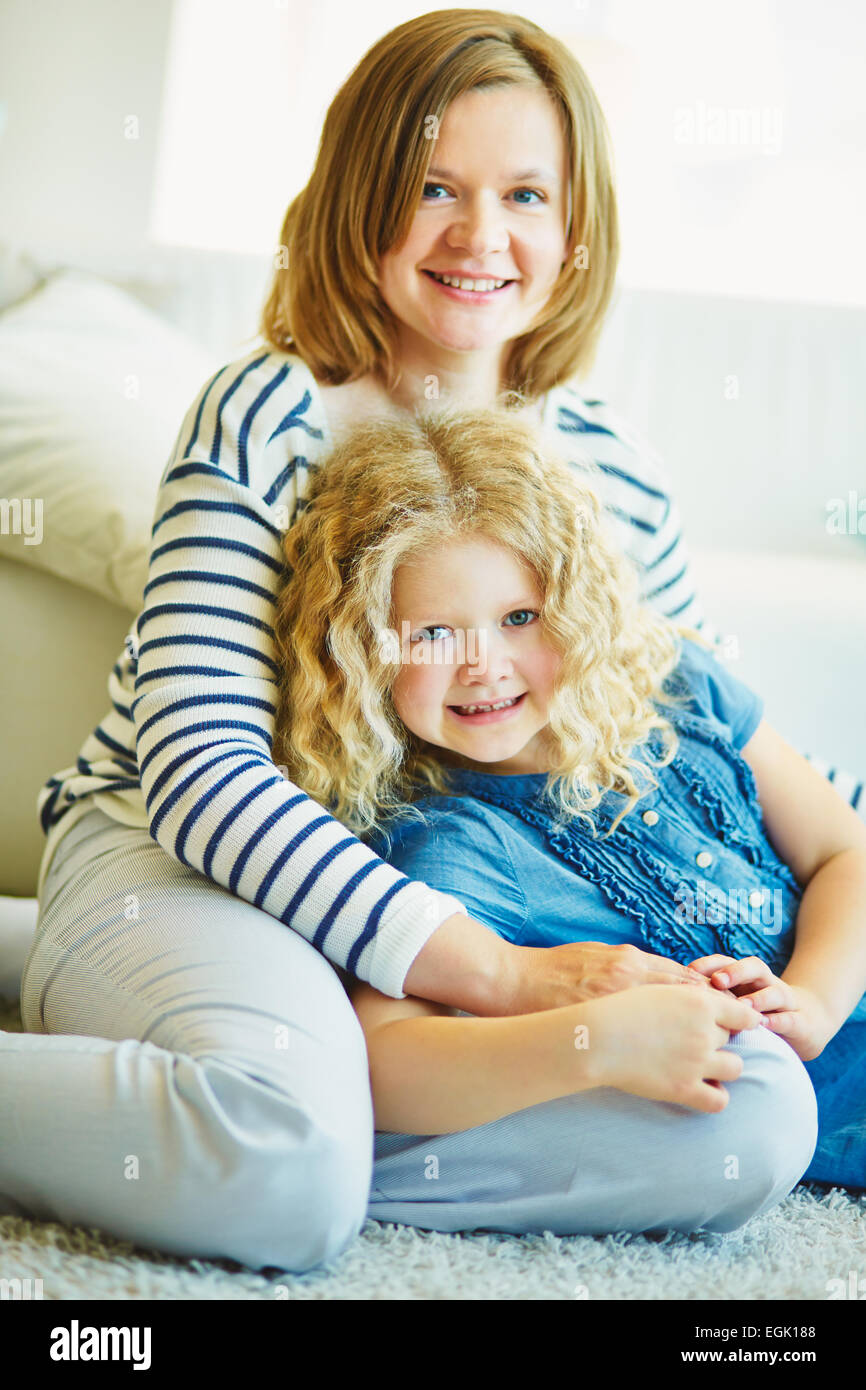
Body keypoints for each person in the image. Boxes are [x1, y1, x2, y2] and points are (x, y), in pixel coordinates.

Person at [2, 10, 861, 1271]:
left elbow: (704, 746)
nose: (479, 235)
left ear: (573, 238)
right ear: (358, 204)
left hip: (437, 938)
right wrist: (509, 987)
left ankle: (247, 1071)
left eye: (524, 193)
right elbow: (200, 778)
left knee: (738, 1123)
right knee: (283, 1167)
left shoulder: (612, 465)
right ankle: (267, 1112)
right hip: (197, 870)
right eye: (431, 187)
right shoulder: (269, 409)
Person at [268, 400, 865, 1233]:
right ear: (367, 652)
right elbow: (389, 1060)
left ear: (576, 606)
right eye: (434, 633)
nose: (485, 666)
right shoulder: (455, 840)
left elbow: (845, 850)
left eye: (519, 618)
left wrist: (816, 996)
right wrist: (600, 1041)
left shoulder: (674, 680)